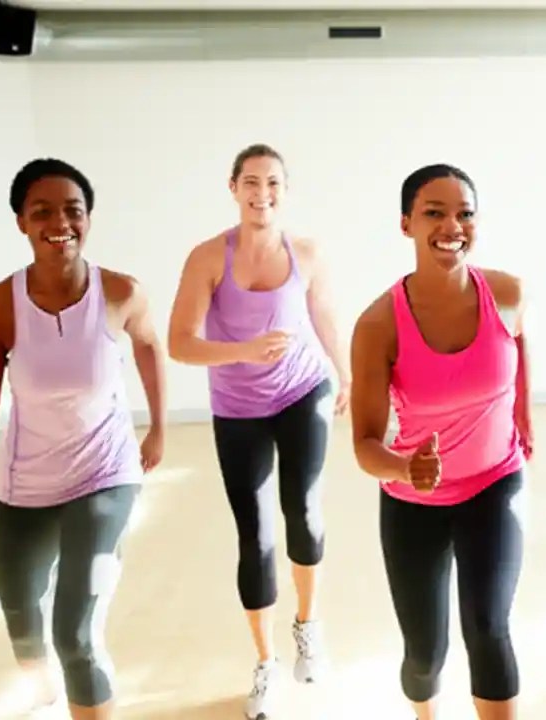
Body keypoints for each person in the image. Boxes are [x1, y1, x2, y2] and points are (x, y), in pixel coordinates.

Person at [0, 158, 166, 720]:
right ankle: (39, 686)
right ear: (21, 222)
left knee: (77, 634)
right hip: (25, 485)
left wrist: (159, 424)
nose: (59, 222)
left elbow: (148, 345)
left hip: (105, 474)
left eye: (73, 209)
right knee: (24, 627)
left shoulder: (120, 292)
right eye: (42, 211)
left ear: (89, 218)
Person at [167, 144, 349, 720]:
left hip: (303, 392)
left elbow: (324, 316)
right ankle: (266, 663)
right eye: (251, 181)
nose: (261, 192)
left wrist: (343, 372)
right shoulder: (207, 258)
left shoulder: (308, 253)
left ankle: (308, 625)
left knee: (305, 511)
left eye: (272, 183)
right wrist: (244, 351)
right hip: (238, 405)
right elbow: (179, 343)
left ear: (285, 191)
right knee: (256, 535)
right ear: (233, 186)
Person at [350, 164, 531, 720]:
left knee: (489, 626)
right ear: (406, 224)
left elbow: (519, 349)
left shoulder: (506, 292)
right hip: (414, 505)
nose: (452, 225)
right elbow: (363, 443)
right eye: (435, 212)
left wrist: (525, 418)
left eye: (464, 213)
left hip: (494, 484)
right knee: (426, 655)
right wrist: (405, 469)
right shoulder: (378, 324)